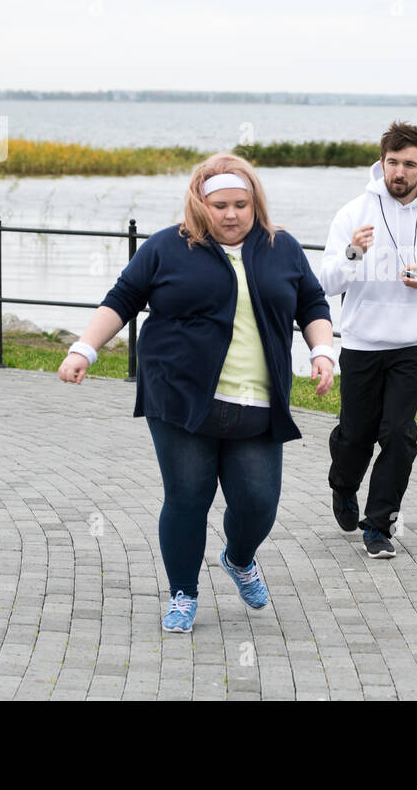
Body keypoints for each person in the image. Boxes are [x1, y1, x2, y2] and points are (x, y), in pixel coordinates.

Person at [57, 152, 336, 633]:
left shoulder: (281, 247)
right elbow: (122, 299)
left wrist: (323, 351)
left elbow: (312, 301)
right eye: (220, 205)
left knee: (258, 503)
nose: (231, 214)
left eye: (241, 205)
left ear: (255, 204)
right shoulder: (168, 247)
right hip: (180, 400)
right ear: (200, 205)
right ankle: (183, 593)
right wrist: (84, 348)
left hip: (258, 403)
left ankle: (239, 557)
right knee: (187, 498)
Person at [318, 121, 417, 558]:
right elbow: (325, 282)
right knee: (355, 436)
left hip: (412, 345)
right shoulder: (353, 214)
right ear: (381, 163)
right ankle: (343, 484)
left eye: (409, 164)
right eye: (392, 162)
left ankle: (378, 525)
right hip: (363, 342)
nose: (399, 172)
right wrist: (353, 253)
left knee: (400, 435)